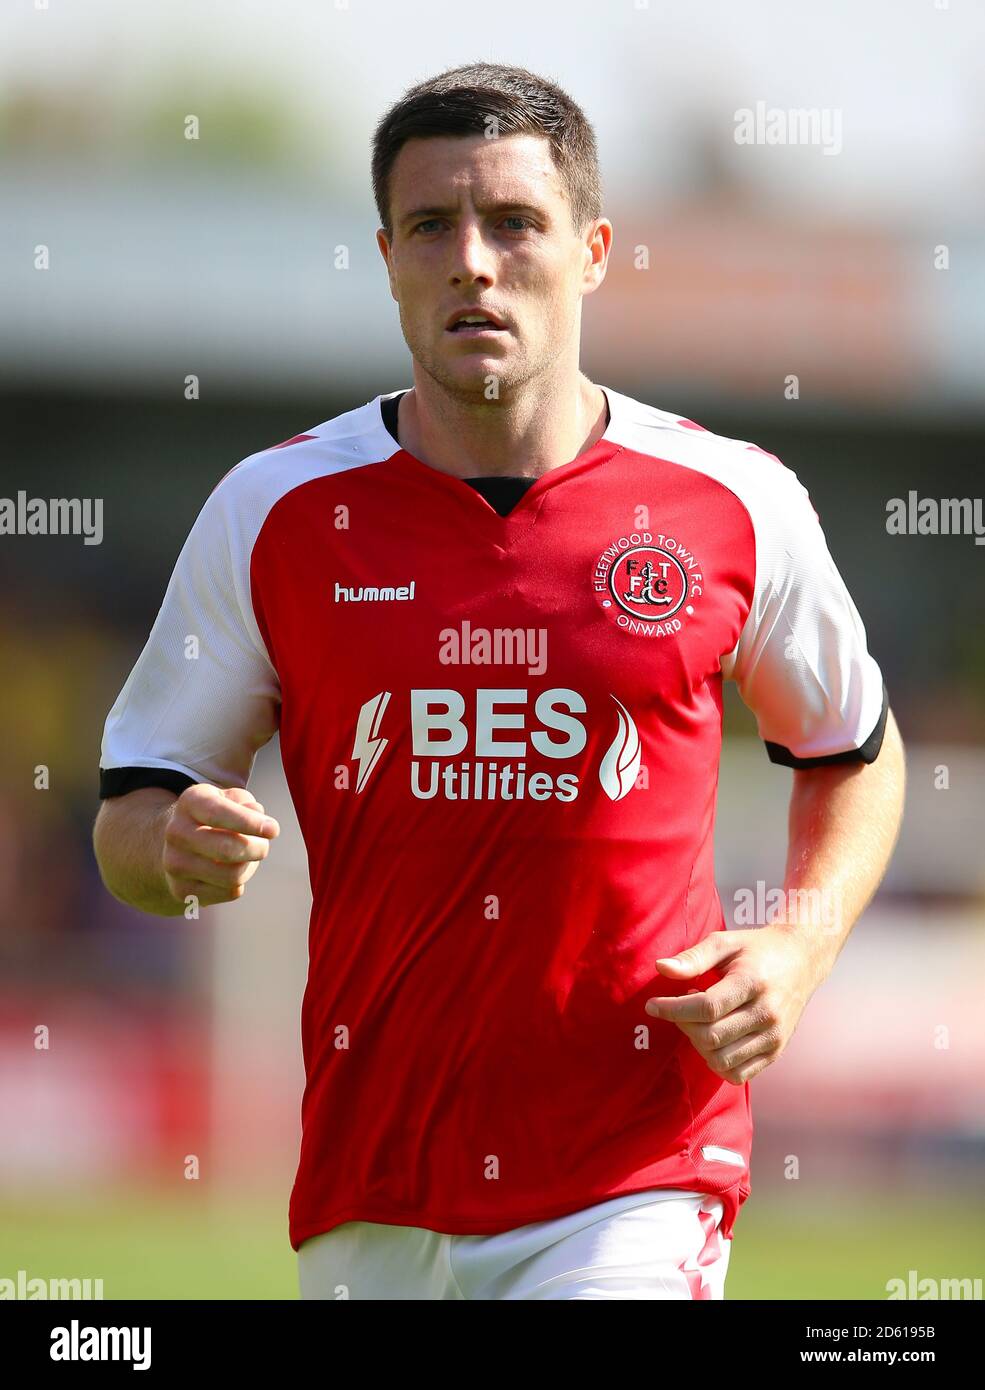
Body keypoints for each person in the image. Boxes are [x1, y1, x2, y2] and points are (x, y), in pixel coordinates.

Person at [92, 61, 906, 1300]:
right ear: (386, 255)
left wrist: (795, 947)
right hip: (370, 1185)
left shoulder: (735, 501)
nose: (473, 260)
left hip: (634, 1169)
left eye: (514, 222)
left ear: (591, 250)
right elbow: (131, 816)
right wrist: (168, 847)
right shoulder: (273, 512)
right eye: (432, 226)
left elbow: (855, 754)